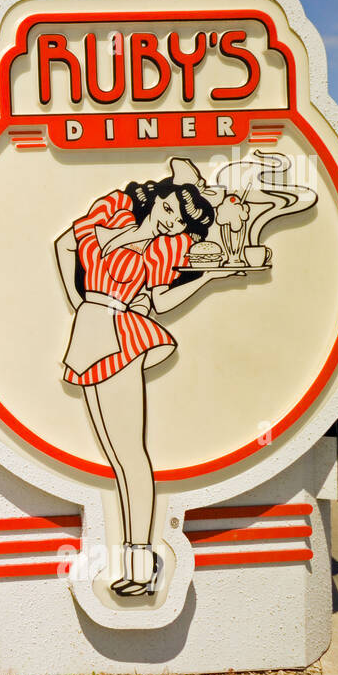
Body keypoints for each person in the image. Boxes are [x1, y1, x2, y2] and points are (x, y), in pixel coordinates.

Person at [54, 158, 238, 598]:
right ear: (159, 198)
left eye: (178, 223)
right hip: (91, 331)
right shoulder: (115, 219)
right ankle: (134, 558)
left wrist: (209, 276)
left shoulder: (161, 251)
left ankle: (140, 563)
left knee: (130, 454)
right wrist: (80, 300)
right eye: (170, 210)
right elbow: (64, 244)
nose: (170, 224)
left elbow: (160, 300)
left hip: (121, 337)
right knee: (116, 458)